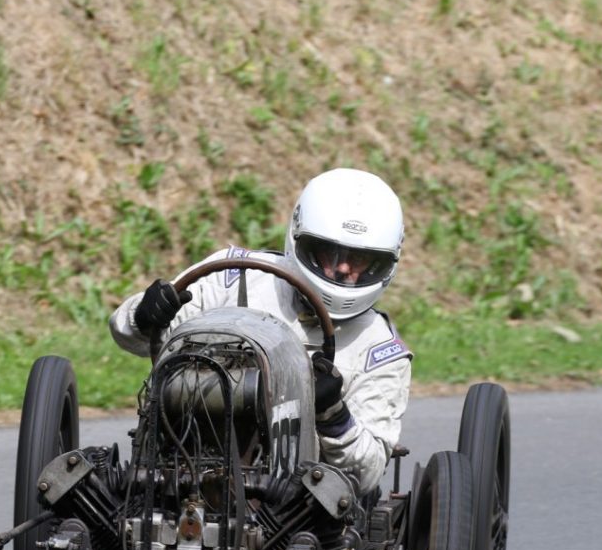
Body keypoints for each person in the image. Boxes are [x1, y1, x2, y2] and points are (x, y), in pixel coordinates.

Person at [109, 167, 412, 495]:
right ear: (301, 240)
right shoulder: (232, 274)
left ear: (384, 264)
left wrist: (334, 415)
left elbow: (365, 474)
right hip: (177, 459)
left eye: (360, 259)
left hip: (295, 505)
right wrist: (145, 315)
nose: (342, 268)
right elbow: (132, 336)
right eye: (331, 253)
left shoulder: (381, 351)